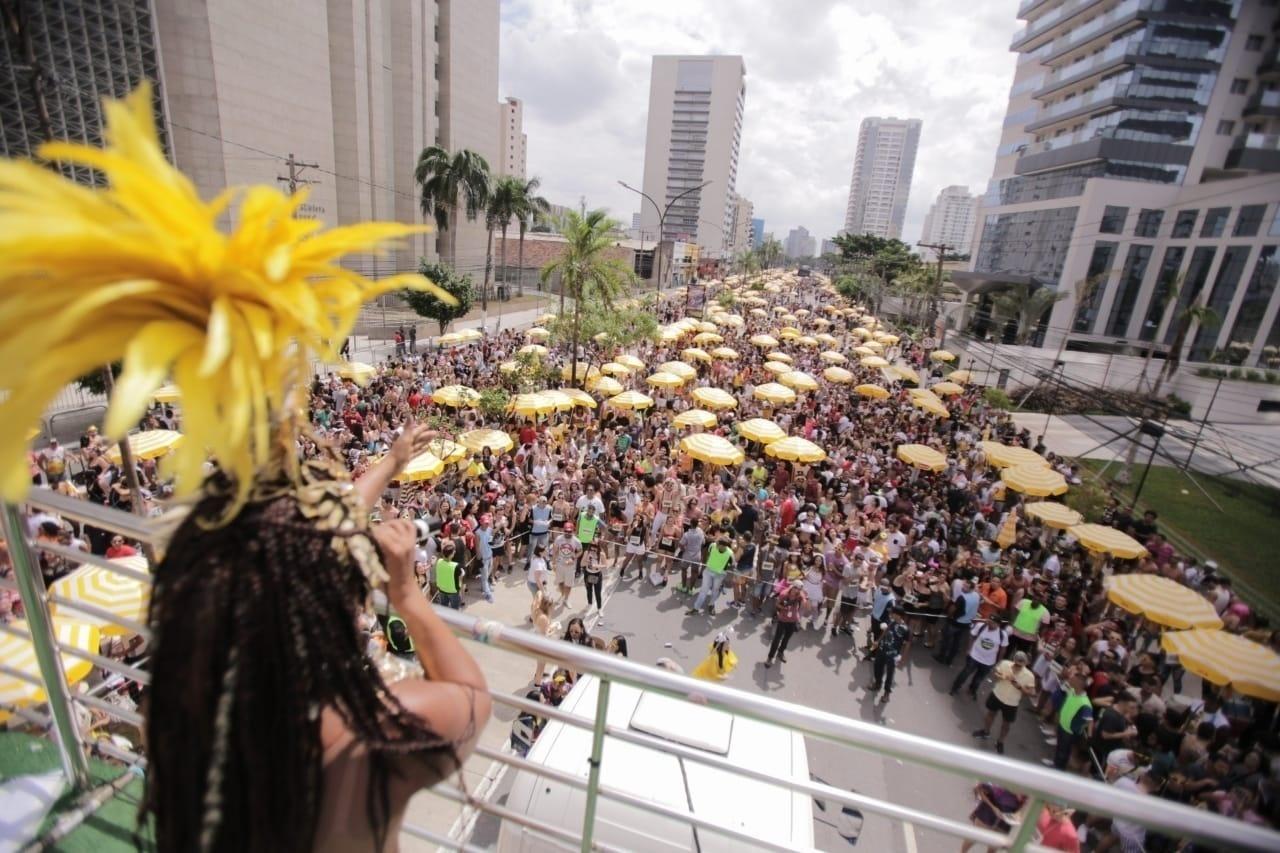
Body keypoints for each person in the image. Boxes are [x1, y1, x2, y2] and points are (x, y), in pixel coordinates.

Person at [144, 428, 491, 851]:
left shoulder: (184, 703)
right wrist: (405, 594)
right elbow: (472, 696)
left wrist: (392, 462)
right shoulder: (367, 730)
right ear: (328, 597)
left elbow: (295, 546)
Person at [972, 651, 1037, 754]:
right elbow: (995, 673)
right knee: (990, 714)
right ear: (1013, 660)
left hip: (1012, 702)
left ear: (1025, 664)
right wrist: (999, 676)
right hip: (997, 694)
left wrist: (1019, 687)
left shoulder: (1029, 676)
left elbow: (1032, 693)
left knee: (1006, 724)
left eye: (1020, 665)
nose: (1017, 666)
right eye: (1016, 663)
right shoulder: (1005, 664)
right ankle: (985, 732)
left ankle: (1000, 742)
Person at [950, 616, 1009, 699]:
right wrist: (969, 649)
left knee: (979, 678)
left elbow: (1003, 649)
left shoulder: (1003, 634)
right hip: (974, 656)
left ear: (998, 624)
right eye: (988, 621)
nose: (989, 624)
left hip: (988, 661)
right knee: (965, 673)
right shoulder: (981, 626)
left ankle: (972, 690)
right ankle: (955, 687)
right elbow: (972, 635)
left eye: (992, 623)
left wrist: (998, 662)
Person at [868, 606, 912, 704]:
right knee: (877, 667)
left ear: (898, 615)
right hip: (882, 649)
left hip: (892, 655)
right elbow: (886, 631)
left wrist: (903, 658)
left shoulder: (906, 629)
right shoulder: (892, 622)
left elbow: (908, 644)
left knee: (889, 674)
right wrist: (877, 641)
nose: (891, 614)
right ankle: (877, 683)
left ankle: (887, 693)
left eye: (893, 613)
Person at [765, 578, 806, 668]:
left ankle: (781, 652)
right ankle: (770, 657)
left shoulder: (799, 595)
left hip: (792, 621)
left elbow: (804, 602)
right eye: (797, 588)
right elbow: (777, 604)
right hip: (783, 620)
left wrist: (803, 602)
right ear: (793, 587)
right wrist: (784, 608)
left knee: (786, 638)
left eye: (799, 589)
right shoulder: (784, 594)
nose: (798, 591)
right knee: (776, 639)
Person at [689, 535, 733, 616]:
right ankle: (696, 608)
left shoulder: (730, 553)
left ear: (724, 546)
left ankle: (711, 605)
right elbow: (708, 554)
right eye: (717, 543)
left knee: (715, 591)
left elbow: (731, 564)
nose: (717, 545)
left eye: (719, 545)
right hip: (708, 571)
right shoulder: (712, 546)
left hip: (720, 574)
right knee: (703, 591)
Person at [550, 522, 581, 607]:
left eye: (570, 531)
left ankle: (566, 599)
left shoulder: (576, 541)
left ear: (573, 531)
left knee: (569, 584)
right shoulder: (558, 539)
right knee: (560, 582)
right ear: (563, 530)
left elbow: (580, 551)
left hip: (570, 566)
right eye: (566, 531)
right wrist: (553, 562)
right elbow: (555, 551)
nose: (568, 533)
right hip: (560, 563)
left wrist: (573, 558)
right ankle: (563, 596)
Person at [433, 540, 463, 609]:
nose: (454, 552)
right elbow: (460, 577)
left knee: (444, 608)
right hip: (453, 591)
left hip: (442, 590)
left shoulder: (439, 561)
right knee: (454, 610)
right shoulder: (456, 566)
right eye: (453, 552)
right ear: (451, 554)